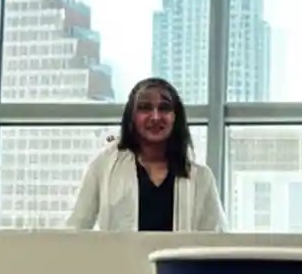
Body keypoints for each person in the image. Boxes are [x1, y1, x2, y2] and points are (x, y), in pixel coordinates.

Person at [67, 77, 226, 232]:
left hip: (177, 260)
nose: (155, 117)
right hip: (119, 259)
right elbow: (76, 229)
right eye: (144, 107)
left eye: (164, 108)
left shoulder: (201, 177)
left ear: (175, 117)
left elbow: (218, 242)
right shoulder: (103, 166)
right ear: (132, 117)